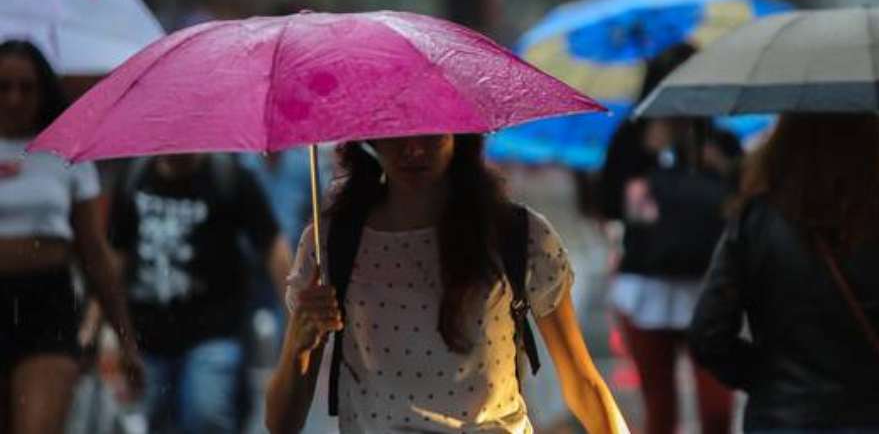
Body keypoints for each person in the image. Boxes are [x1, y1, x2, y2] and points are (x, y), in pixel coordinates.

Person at [265, 134, 628, 433]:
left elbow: (583, 383)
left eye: (431, 131)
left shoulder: (517, 235)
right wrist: (299, 340)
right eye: (396, 130)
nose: (413, 147)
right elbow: (281, 424)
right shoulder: (331, 245)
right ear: (370, 136)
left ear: (461, 132)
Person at [688, 113, 879, 434]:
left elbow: (707, 334)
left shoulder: (755, 223)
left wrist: (770, 379)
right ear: (873, 139)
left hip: (786, 420)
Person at [0, 40, 143, 434]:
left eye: (26, 88)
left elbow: (94, 251)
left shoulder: (66, 155)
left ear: (43, 90)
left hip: (46, 309)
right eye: (4, 86)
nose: (15, 98)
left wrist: (125, 339)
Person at [598, 43, 740, 434]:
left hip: (708, 286)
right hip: (647, 285)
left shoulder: (721, 142)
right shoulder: (630, 141)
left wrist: (721, 167)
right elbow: (608, 203)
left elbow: (747, 205)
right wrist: (650, 154)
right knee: (660, 411)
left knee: (717, 412)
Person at [109, 152, 293, 433]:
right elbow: (114, 258)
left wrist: (295, 311)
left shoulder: (228, 176)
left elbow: (272, 245)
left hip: (215, 331)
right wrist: (110, 330)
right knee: (157, 421)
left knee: (207, 415)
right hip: (149, 336)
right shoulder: (134, 178)